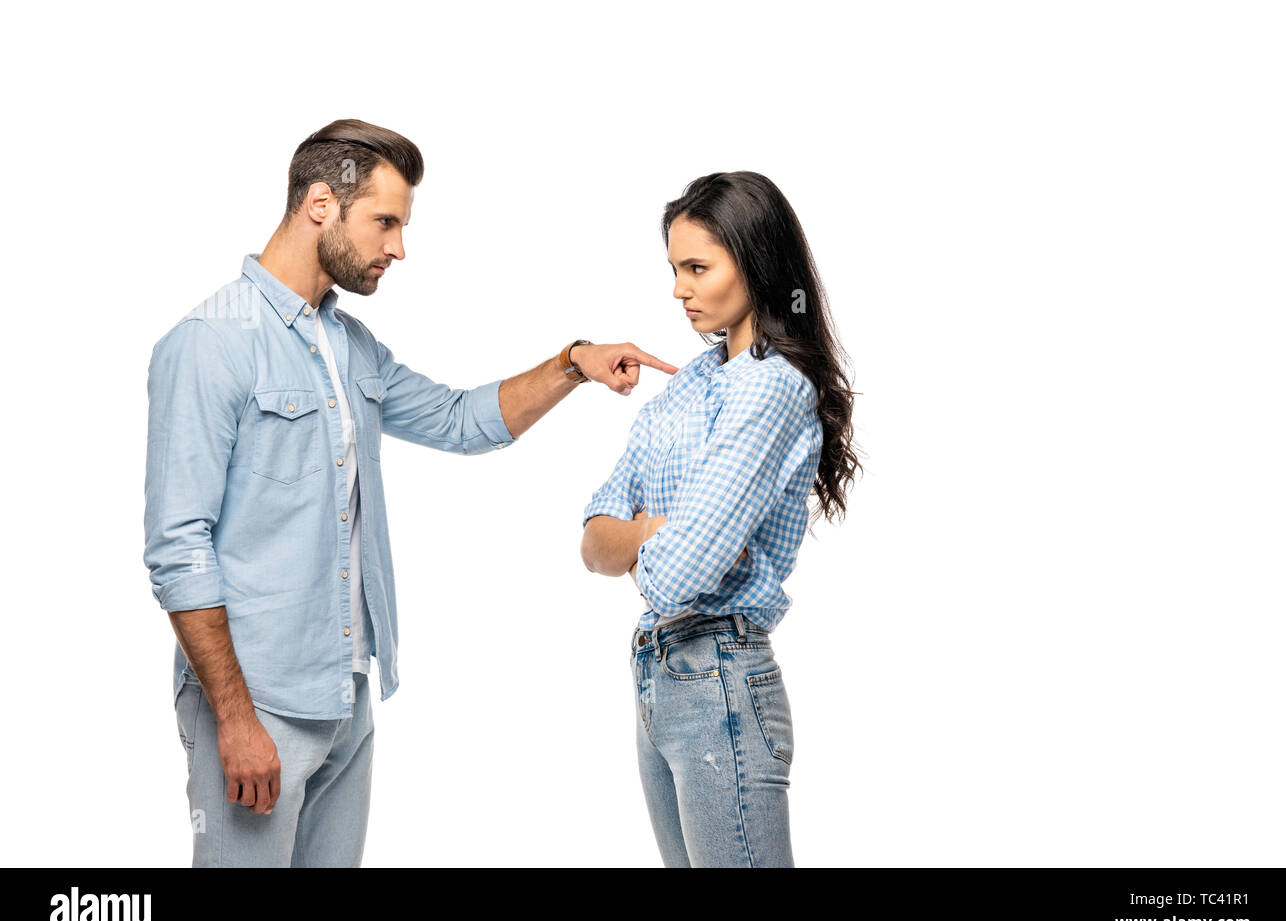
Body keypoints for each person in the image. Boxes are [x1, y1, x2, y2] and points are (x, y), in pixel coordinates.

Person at [144, 118, 677, 867]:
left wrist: (575, 363)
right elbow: (177, 547)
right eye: (385, 222)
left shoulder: (350, 345)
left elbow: (462, 420)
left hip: (345, 698)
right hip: (255, 705)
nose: (398, 247)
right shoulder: (210, 342)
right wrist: (234, 718)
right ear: (320, 204)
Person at [580, 171, 861, 867]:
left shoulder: (771, 388)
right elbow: (592, 536)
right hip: (660, 677)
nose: (679, 288)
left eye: (697, 267)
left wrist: (644, 538)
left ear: (756, 263)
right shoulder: (690, 386)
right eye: (675, 268)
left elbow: (678, 576)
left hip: (720, 682)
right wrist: (652, 530)